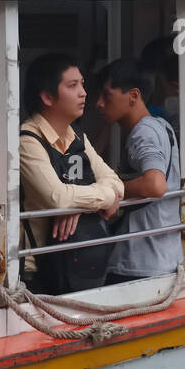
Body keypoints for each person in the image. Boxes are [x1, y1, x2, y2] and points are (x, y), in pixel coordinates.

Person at [19, 53, 125, 293]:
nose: (83, 93)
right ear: (47, 97)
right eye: (72, 85)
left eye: (82, 84)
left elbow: (116, 182)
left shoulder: (76, 135)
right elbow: (59, 199)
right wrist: (93, 201)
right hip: (37, 270)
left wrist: (79, 203)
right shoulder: (27, 140)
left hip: (76, 260)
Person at [94, 59, 183, 284]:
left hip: (140, 262)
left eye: (107, 96)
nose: (99, 104)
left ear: (133, 95)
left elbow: (155, 185)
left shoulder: (143, 132)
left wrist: (110, 190)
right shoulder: (160, 125)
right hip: (163, 255)